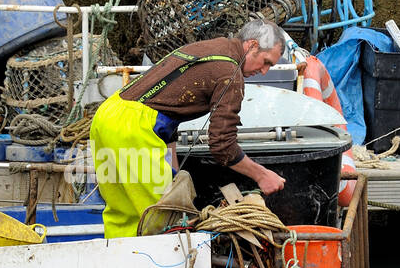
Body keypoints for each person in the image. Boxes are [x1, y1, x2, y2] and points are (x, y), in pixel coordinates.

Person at [89, 19, 288, 238]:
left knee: (122, 212)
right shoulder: (230, 73)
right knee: (160, 220)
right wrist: (262, 175)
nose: (264, 71)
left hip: (108, 116)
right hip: (133, 130)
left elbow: (167, 106)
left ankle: (117, 265)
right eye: (266, 62)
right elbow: (222, 145)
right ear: (251, 45)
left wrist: (173, 170)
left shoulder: (207, 48)